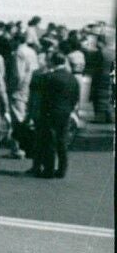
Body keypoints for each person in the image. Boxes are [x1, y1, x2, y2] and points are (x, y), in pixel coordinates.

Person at [27, 48, 80, 180]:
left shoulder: (49, 77)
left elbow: (44, 97)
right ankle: (62, 170)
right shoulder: (72, 78)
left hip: (50, 113)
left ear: (53, 62)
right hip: (65, 112)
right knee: (62, 141)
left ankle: (49, 170)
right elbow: (75, 97)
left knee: (49, 142)